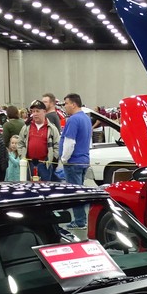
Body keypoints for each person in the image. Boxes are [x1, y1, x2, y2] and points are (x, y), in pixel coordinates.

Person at [59, 93, 92, 225]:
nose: (65, 106)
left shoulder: (73, 120)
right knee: (80, 191)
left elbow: (70, 142)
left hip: (73, 161)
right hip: (83, 160)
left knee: (75, 193)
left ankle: (79, 221)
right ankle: (81, 219)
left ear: (73, 104)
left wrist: (64, 158)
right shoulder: (86, 118)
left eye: (66, 103)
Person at [18, 99, 60, 182]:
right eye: (33, 111)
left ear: (44, 112)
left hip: (44, 165)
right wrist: (22, 156)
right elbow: (20, 143)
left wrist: (52, 158)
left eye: (37, 111)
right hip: (29, 164)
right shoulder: (26, 127)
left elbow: (57, 145)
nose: (35, 114)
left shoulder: (52, 128)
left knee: (45, 186)